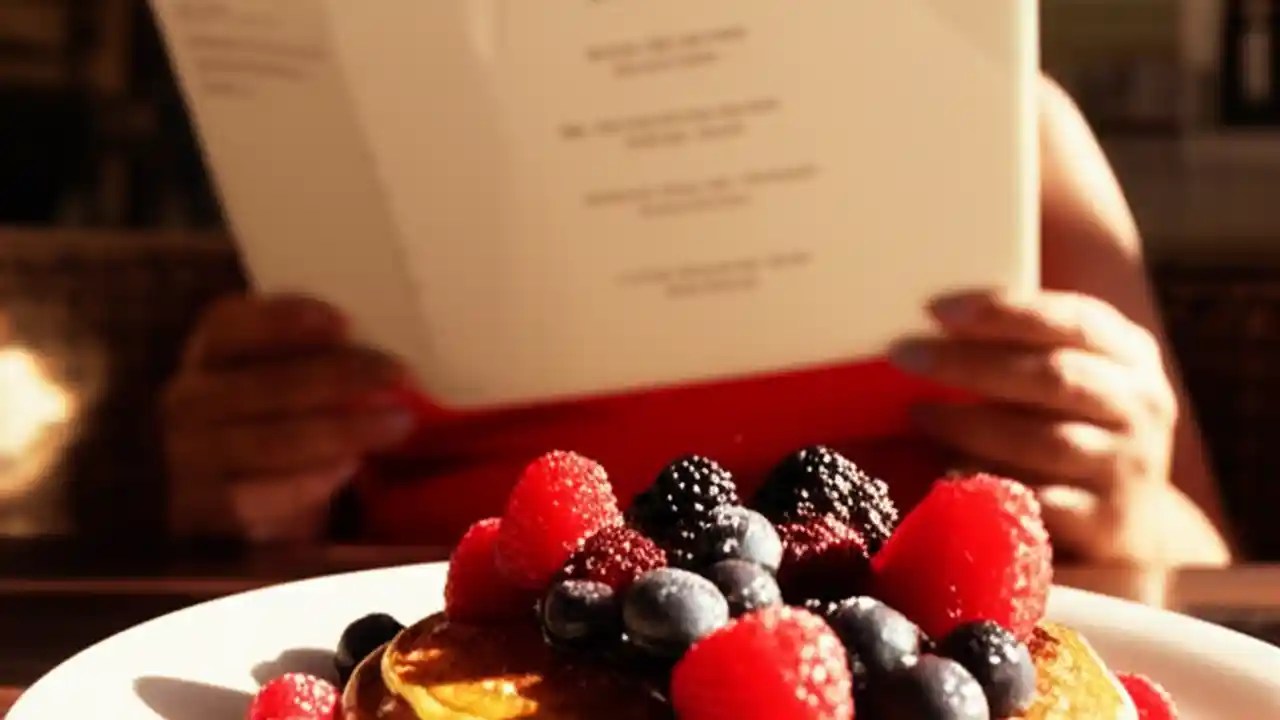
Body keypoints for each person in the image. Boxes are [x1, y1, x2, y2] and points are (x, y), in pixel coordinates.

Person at [161, 78, 1234, 566]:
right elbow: (231, 576)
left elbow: (1195, 553)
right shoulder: (358, 125)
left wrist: (1124, 493)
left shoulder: (1006, 135)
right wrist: (236, 490)